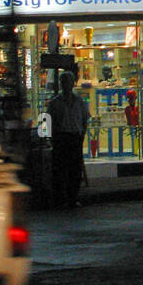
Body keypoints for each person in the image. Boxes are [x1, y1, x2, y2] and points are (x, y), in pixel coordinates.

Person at [48, 71, 90, 209]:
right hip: (61, 137)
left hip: (75, 137)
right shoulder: (55, 103)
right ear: (61, 84)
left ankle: (73, 198)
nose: (66, 84)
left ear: (73, 83)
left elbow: (85, 119)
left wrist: (81, 134)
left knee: (75, 170)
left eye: (69, 81)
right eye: (64, 82)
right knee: (61, 170)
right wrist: (51, 138)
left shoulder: (80, 101)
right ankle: (61, 199)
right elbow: (46, 123)